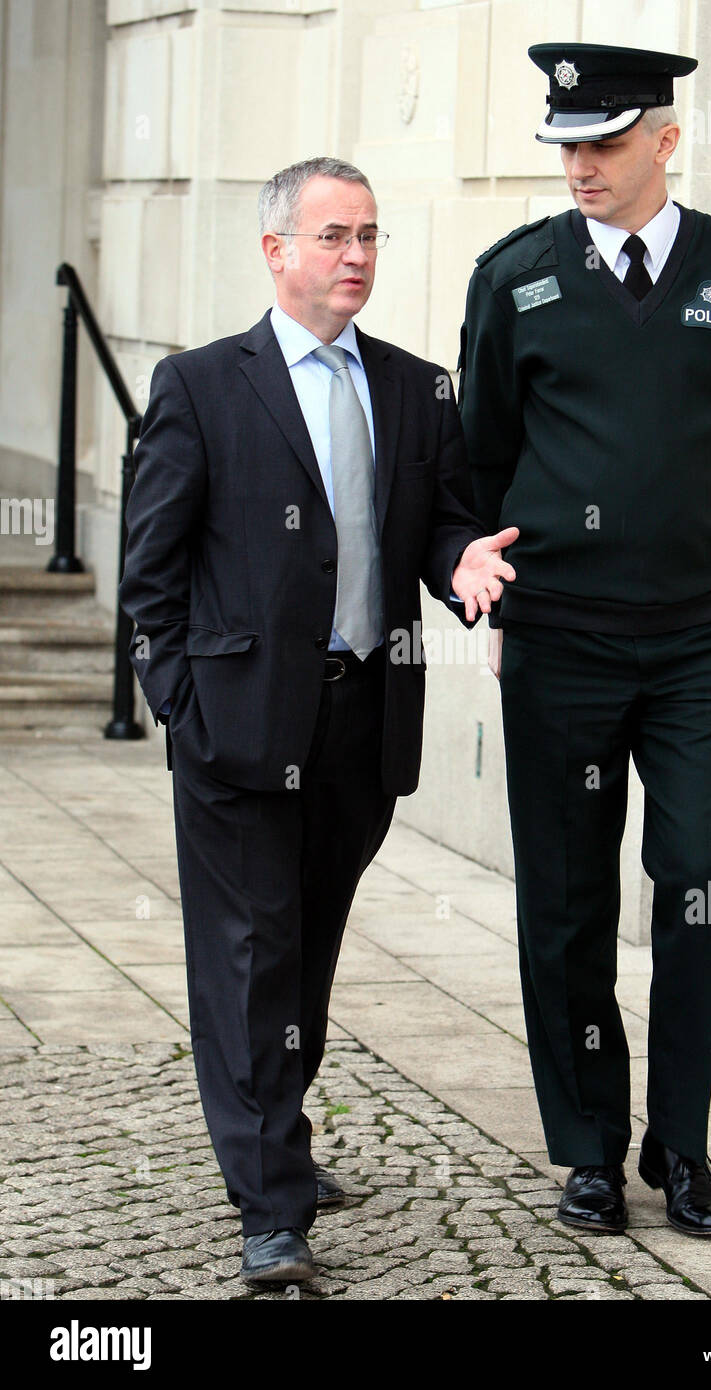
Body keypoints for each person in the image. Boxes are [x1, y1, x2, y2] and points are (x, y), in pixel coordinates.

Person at [120, 156, 517, 1284]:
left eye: (372, 236)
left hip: (362, 721)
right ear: (276, 251)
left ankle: (273, 1138)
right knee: (250, 957)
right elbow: (149, 574)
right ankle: (271, 1208)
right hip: (237, 727)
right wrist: (179, 703)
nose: (356, 256)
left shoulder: (416, 388)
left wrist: (464, 563)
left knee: (309, 951)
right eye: (335, 235)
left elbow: (436, 526)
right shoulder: (200, 385)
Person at [458, 44, 711, 1237]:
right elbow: (481, 456)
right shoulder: (515, 281)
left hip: (703, 642)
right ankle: (592, 1148)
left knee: (699, 884)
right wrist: (495, 592)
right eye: (566, 142)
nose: (580, 165)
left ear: (667, 140)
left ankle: (689, 1142)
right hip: (560, 638)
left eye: (605, 141)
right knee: (563, 898)